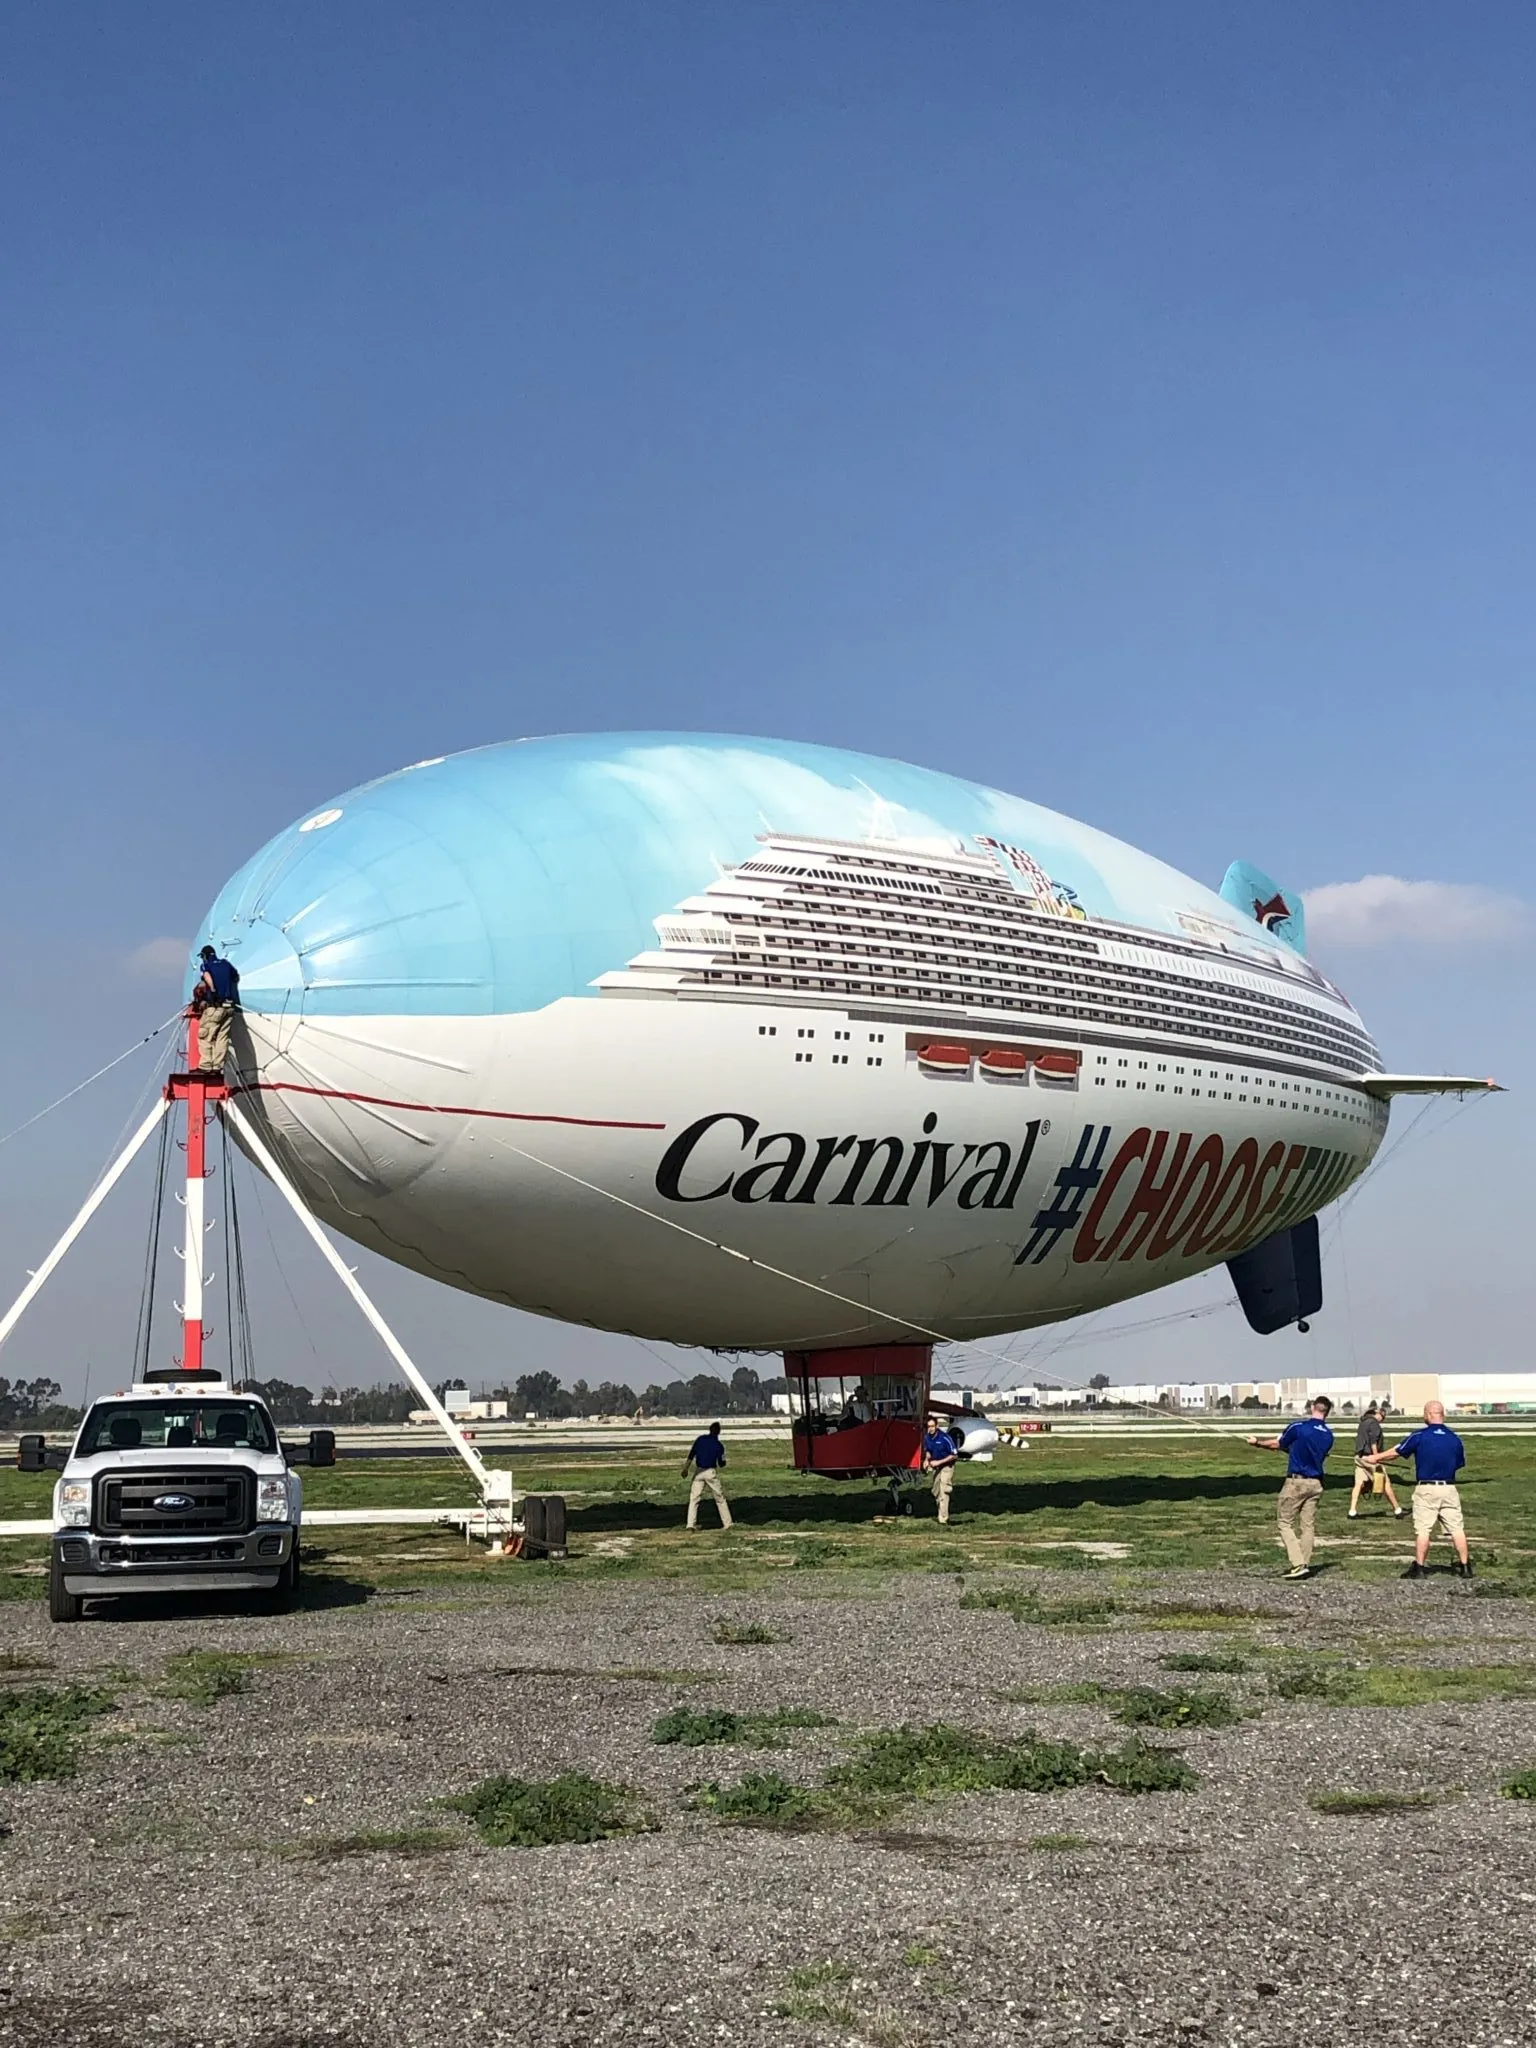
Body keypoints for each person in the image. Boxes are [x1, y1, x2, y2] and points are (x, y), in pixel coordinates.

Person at [1367, 1400, 1471, 1578]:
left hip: (1427, 1488)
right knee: (1456, 1528)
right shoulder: (1455, 1439)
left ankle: (1420, 1567)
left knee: (1423, 1529)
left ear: (1429, 1414)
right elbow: (1459, 1463)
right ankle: (1465, 1566)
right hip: (1449, 1487)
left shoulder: (1420, 1436)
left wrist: (1376, 1458)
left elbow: (1397, 1452)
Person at [1246, 1396, 1335, 1580]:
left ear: (1312, 1407)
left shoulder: (1298, 1427)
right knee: (1307, 1525)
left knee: (1284, 1523)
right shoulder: (1328, 1435)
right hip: (1316, 1483)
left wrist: (1257, 1443)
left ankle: (1298, 1563)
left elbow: (1278, 1444)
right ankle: (1304, 1564)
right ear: (1327, 1411)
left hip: (1297, 1482)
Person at [1348, 1402, 1405, 1520]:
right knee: (1385, 1483)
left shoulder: (1363, 1423)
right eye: (1382, 1417)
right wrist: (1377, 1457)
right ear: (1377, 1414)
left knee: (1358, 1484)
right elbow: (1373, 1442)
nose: (1382, 1420)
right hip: (1371, 1458)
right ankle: (1397, 1510)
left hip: (1359, 1458)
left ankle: (1352, 1511)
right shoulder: (1374, 1424)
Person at [194, 945, 240, 1077]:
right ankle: (217, 1067)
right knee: (222, 1037)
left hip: (215, 1007)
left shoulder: (207, 965)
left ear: (204, 956)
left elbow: (207, 976)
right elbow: (235, 976)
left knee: (205, 1036)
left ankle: (206, 1066)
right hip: (229, 1008)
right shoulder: (226, 964)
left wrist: (213, 989)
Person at [682, 1420, 732, 1530]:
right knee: (720, 1498)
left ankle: (690, 1524)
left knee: (694, 1499)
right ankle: (727, 1524)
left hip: (698, 1471)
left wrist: (685, 1469)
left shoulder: (700, 1440)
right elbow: (721, 1463)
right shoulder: (719, 1445)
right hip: (710, 1472)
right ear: (719, 1432)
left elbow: (691, 1455)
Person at [922, 1414, 959, 1525]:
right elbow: (928, 1451)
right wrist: (926, 1460)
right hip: (936, 1467)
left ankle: (943, 1518)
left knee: (944, 1490)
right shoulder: (927, 1437)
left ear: (937, 1426)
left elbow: (954, 1455)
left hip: (947, 1465)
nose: (930, 1429)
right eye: (928, 1426)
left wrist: (939, 1462)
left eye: (932, 1426)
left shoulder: (945, 1438)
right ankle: (941, 1510)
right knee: (935, 1491)